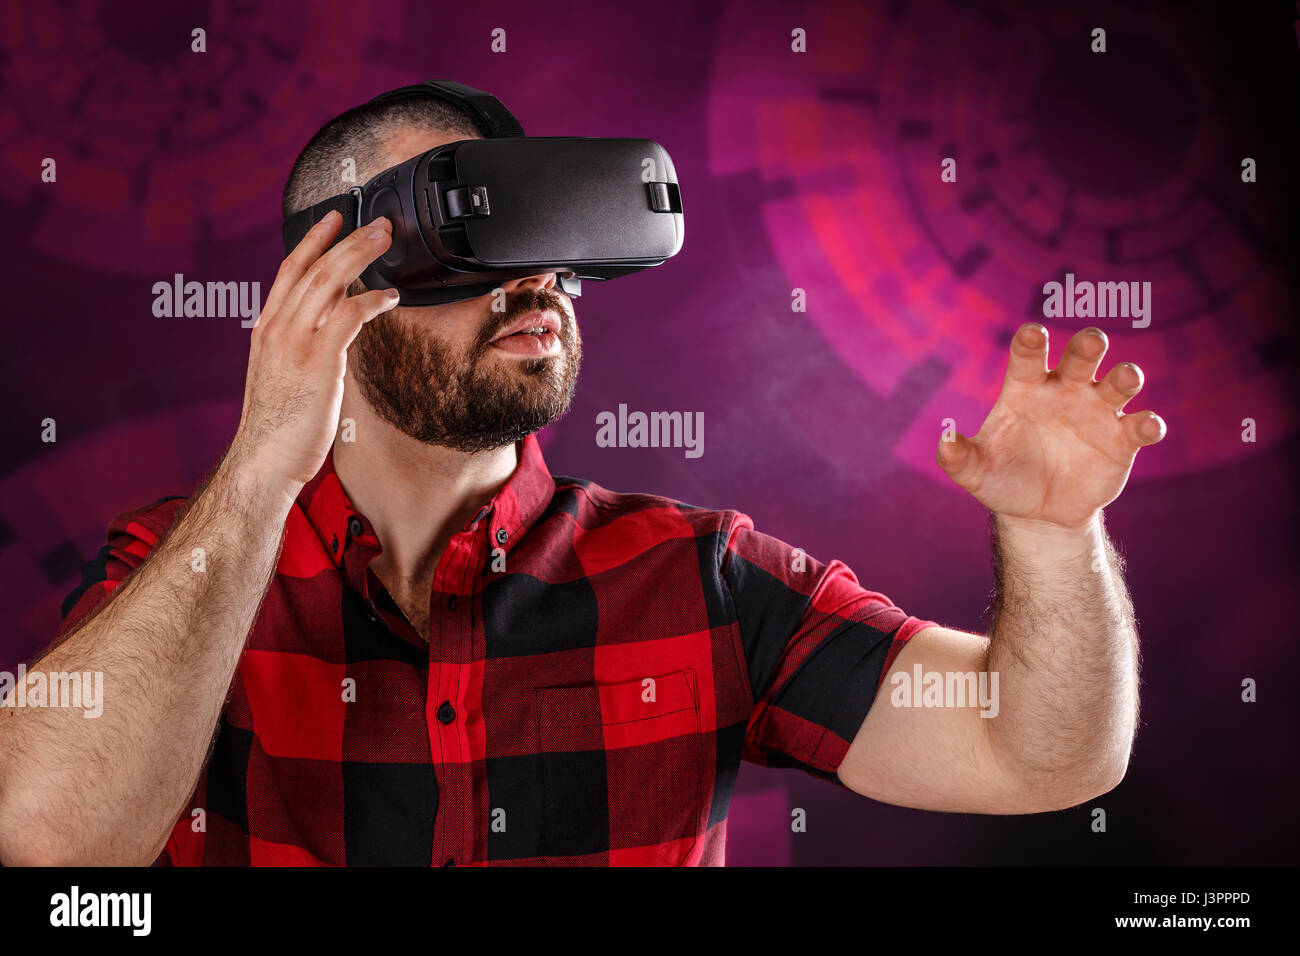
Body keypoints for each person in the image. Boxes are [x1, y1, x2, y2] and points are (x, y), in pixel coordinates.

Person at [0, 88, 1165, 866]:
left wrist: (1057, 536)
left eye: (549, 237)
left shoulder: (702, 578)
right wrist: (260, 468)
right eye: (469, 227)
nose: (536, 279)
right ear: (326, 279)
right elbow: (48, 837)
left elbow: (1038, 753)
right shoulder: (182, 573)